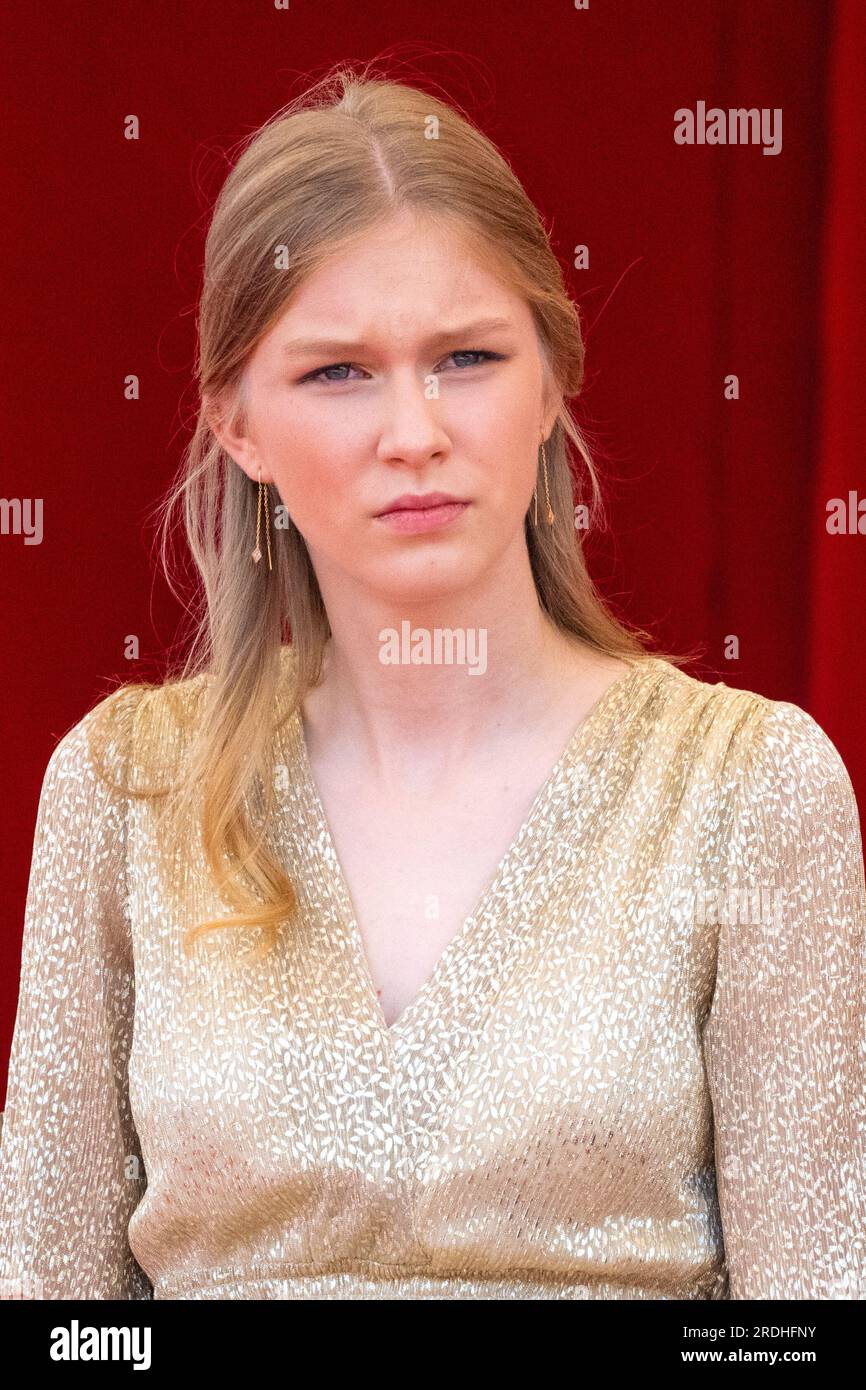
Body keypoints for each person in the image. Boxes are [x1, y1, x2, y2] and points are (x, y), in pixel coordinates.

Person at [1, 64, 863, 1302]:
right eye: (336, 372)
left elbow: (806, 1327)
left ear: (551, 379)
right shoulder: (124, 789)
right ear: (236, 424)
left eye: (464, 356)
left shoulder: (748, 786)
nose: (414, 429)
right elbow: (52, 1322)